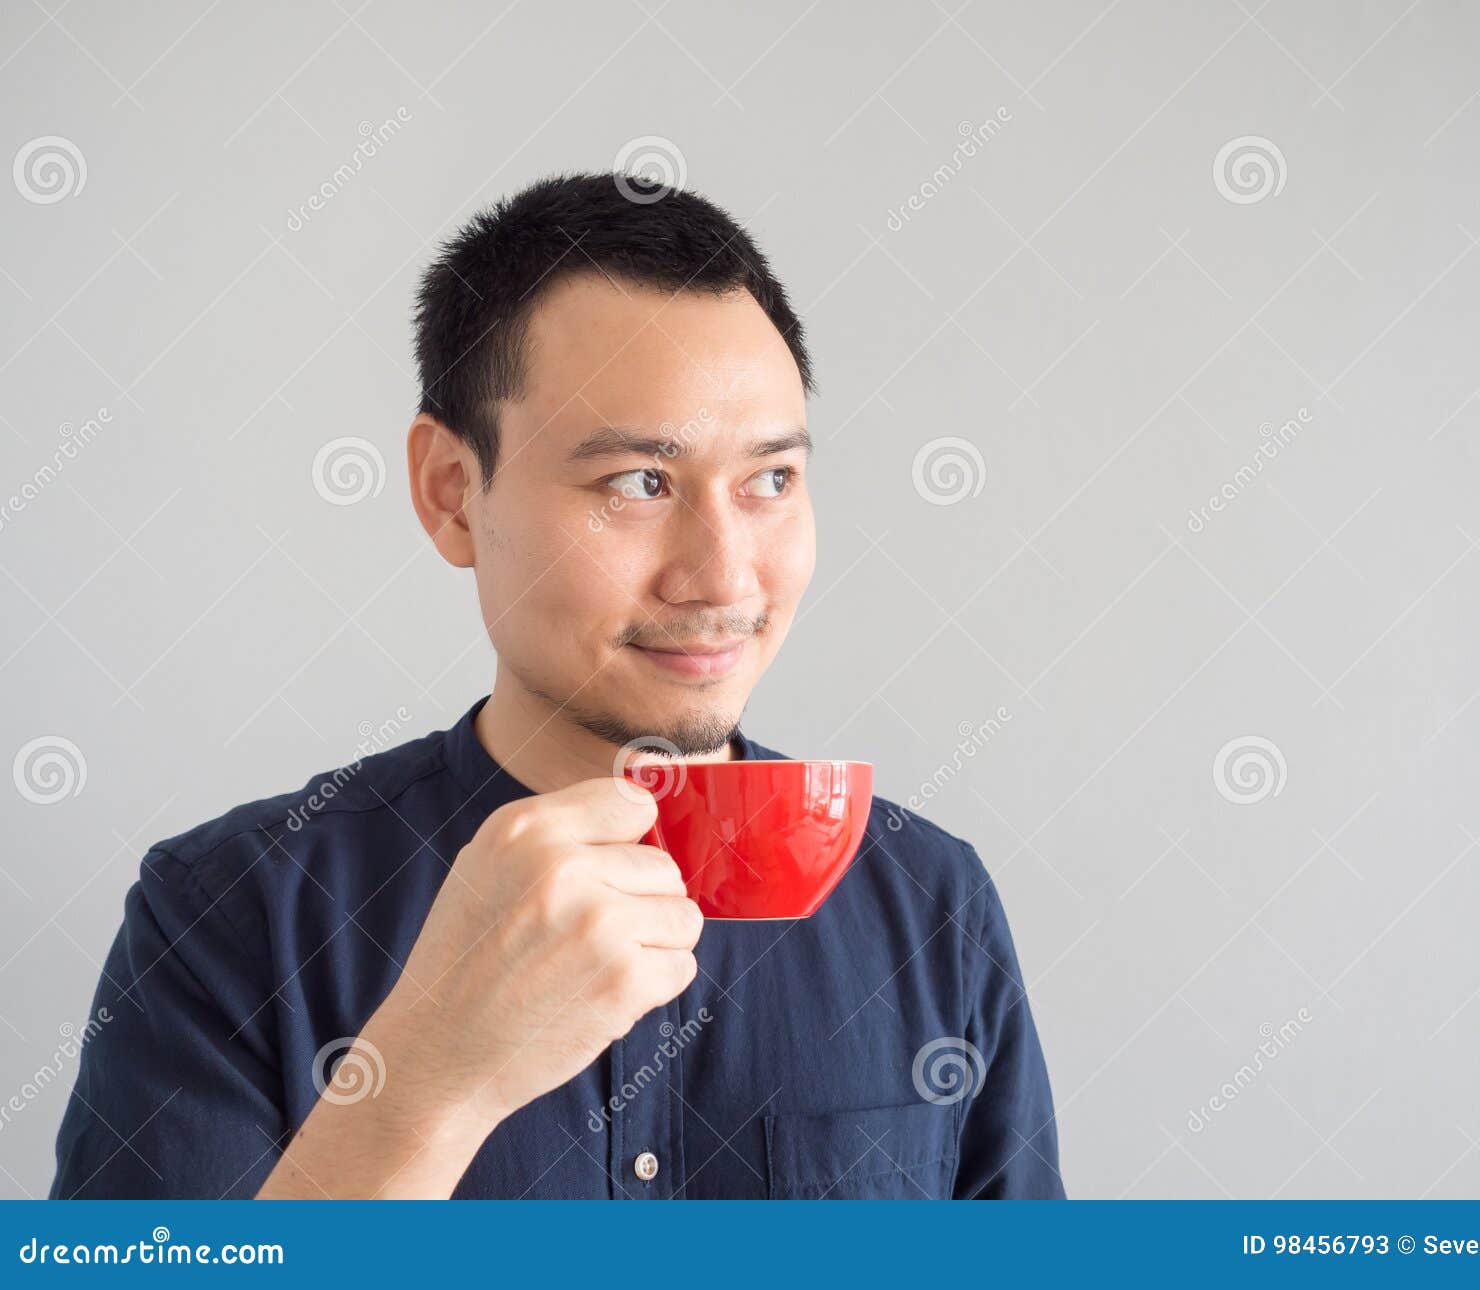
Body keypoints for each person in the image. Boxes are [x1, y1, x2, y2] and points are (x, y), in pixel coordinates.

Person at [49, 172, 1064, 1200]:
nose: (721, 576)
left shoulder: (933, 905)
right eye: (637, 483)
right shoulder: (228, 913)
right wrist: (423, 1091)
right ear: (451, 494)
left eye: (769, 480)